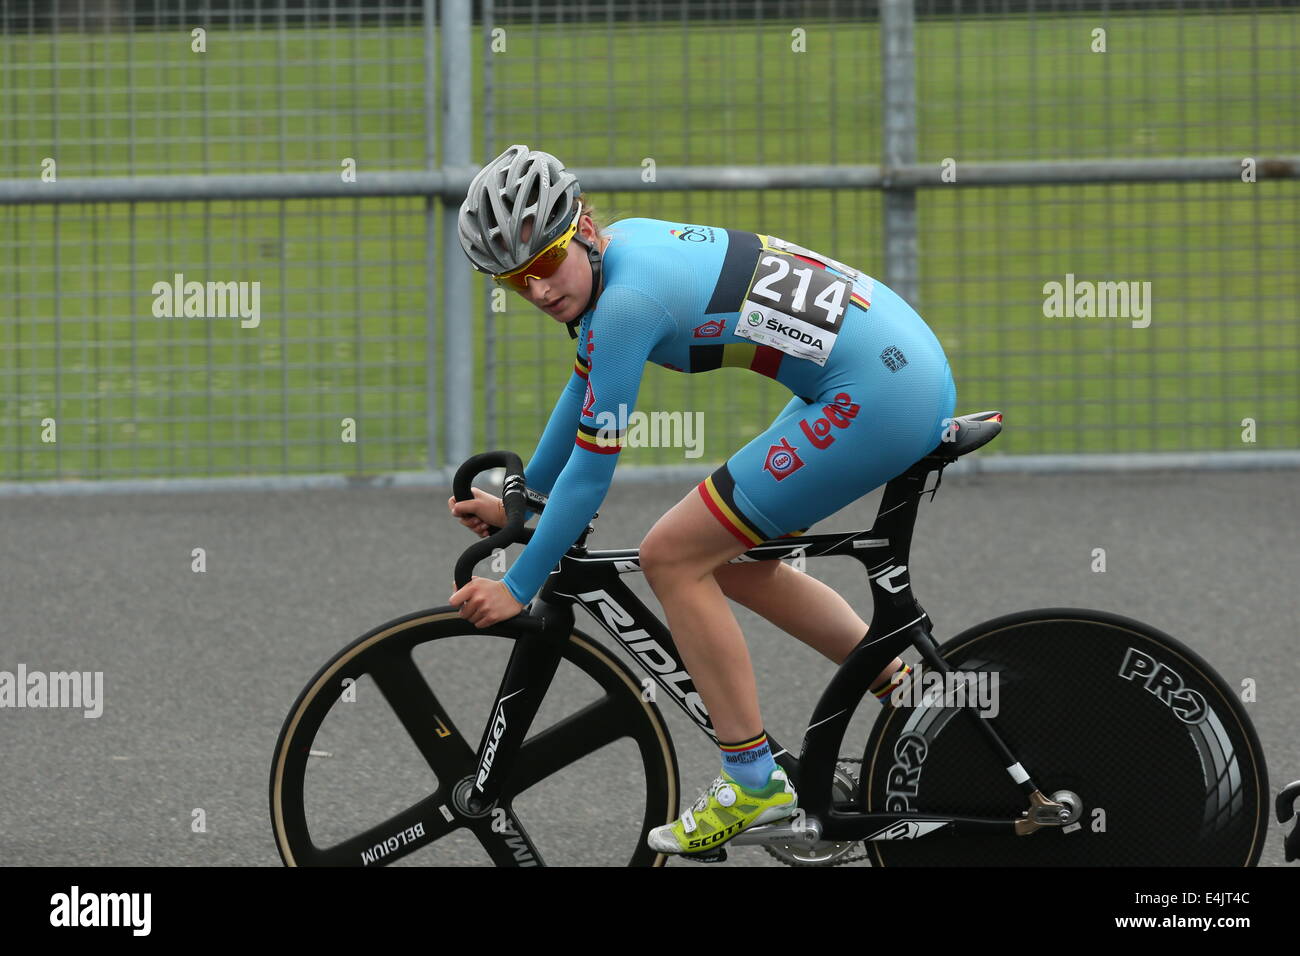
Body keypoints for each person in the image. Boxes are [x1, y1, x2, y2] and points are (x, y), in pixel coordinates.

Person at [448, 144, 955, 858]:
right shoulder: (618, 258)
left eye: (544, 261)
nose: (536, 290)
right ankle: (917, 701)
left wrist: (521, 583)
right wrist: (525, 500)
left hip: (879, 393)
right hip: (883, 374)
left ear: (584, 227)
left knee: (672, 556)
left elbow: (594, 473)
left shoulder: (626, 303)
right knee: (731, 560)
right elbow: (581, 388)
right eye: (514, 280)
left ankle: (753, 781)